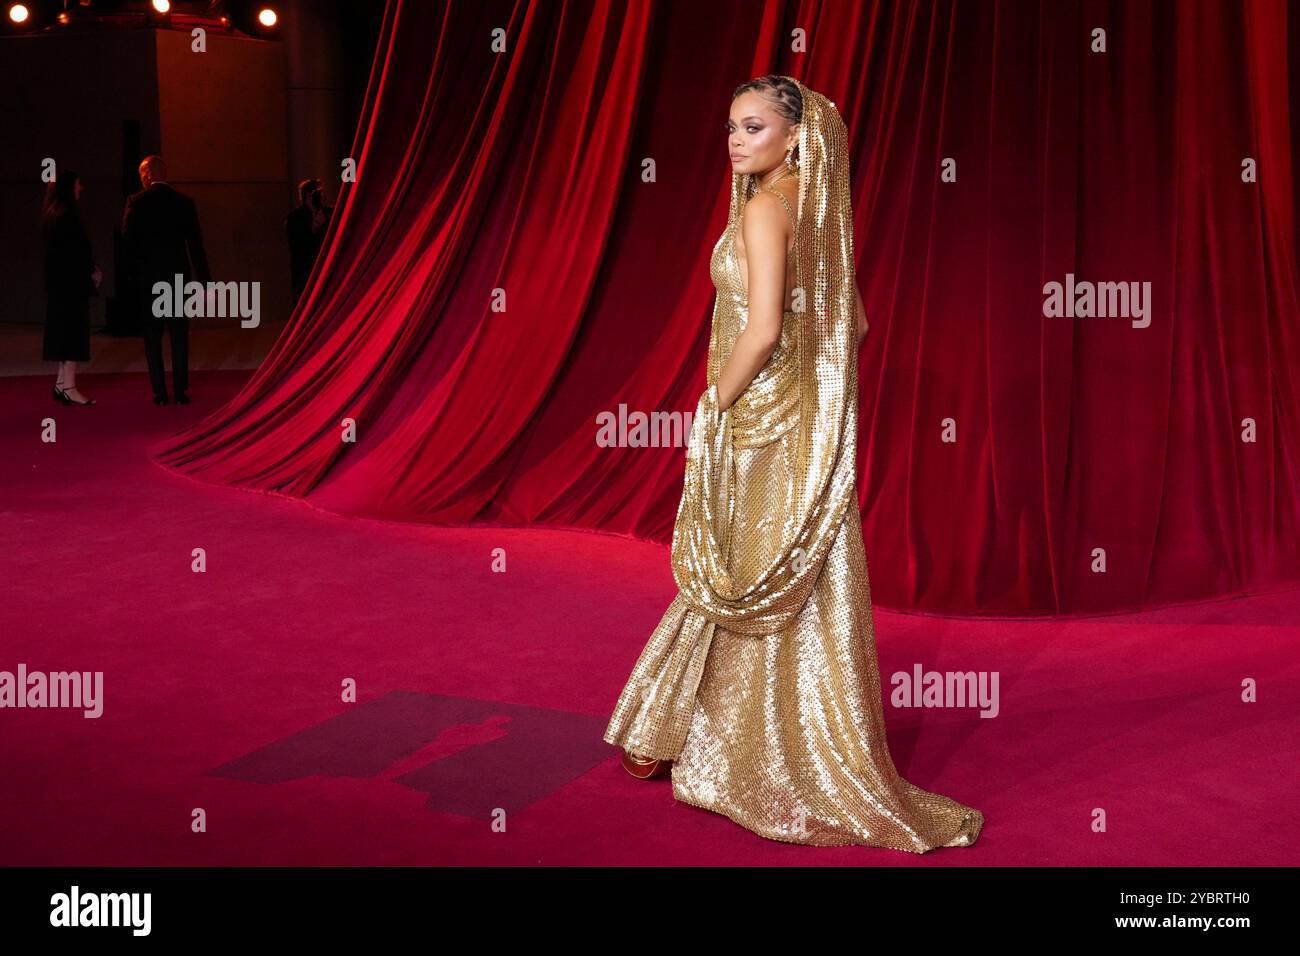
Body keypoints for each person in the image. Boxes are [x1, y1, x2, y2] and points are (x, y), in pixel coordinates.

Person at [602, 75, 982, 852]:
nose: (737, 142)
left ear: (795, 135)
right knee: (790, 567)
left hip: (760, 419)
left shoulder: (769, 208)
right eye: (732, 128)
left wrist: (716, 401)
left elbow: (765, 326)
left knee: (740, 564)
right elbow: (860, 324)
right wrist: (816, 397)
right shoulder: (819, 207)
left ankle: (713, 742)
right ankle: (722, 731)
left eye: (753, 128)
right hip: (804, 420)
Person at [121, 155, 210, 405]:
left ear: (148, 174)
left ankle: (159, 394)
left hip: (149, 281)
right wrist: (206, 283)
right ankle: (180, 392)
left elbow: (127, 245)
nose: (141, 178)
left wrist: (131, 279)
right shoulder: (184, 203)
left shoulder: (135, 202)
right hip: (177, 279)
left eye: (141, 173)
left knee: (152, 338)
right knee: (179, 336)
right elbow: (196, 246)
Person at [42, 170, 101, 406]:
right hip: (71, 287)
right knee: (73, 335)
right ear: (69, 188)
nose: (81, 188)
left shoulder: (52, 215)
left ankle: (61, 384)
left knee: (63, 333)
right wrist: (92, 273)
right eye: (78, 184)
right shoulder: (69, 217)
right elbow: (77, 253)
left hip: (59, 287)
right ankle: (69, 387)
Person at [285, 177, 332, 307]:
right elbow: (297, 246)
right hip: (306, 273)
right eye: (317, 193)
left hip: (327, 269)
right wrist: (314, 227)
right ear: (307, 196)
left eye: (322, 193)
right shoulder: (295, 218)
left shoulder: (330, 213)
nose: (322, 196)